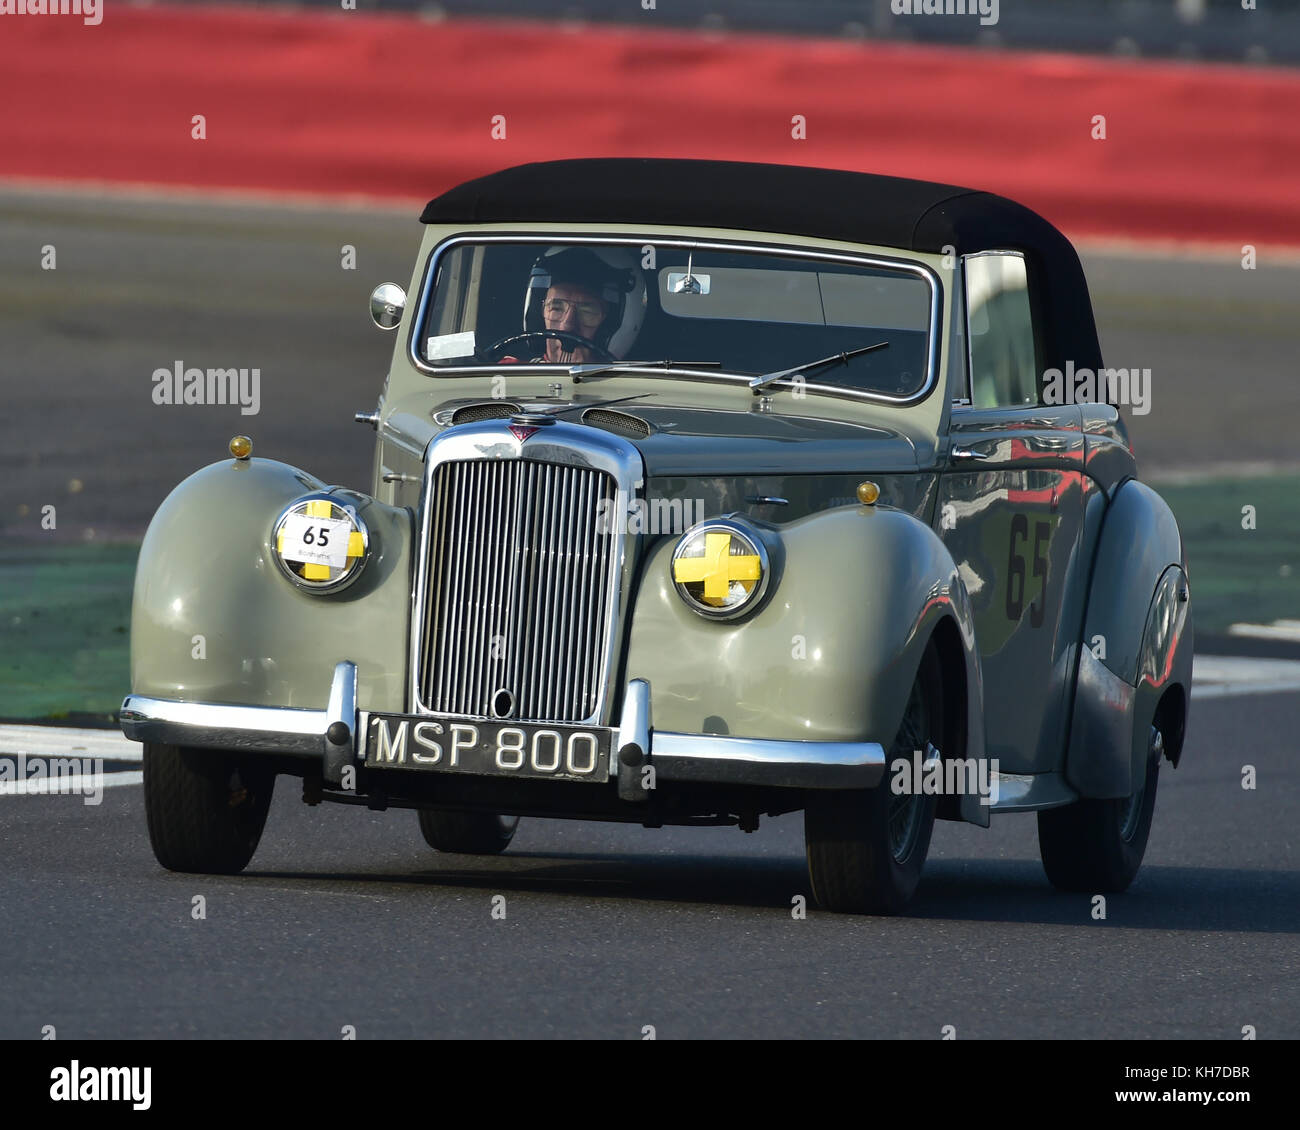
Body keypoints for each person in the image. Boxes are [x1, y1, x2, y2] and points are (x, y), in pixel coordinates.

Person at [505, 246, 646, 364]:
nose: (567, 326)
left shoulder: (638, 387)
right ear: (539, 313)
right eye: (556, 308)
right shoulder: (508, 375)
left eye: (586, 311)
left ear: (610, 324)